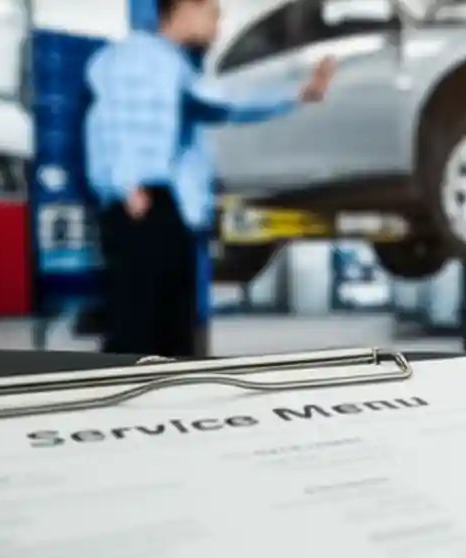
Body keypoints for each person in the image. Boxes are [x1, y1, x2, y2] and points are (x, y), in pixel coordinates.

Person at [85, 0, 336, 357]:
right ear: (187, 6)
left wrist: (297, 94)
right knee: (140, 336)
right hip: (145, 206)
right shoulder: (139, 58)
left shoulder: (172, 65)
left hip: (160, 207)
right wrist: (129, 186)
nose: (219, 22)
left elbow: (226, 104)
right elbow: (121, 121)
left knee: (168, 334)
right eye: (213, 12)